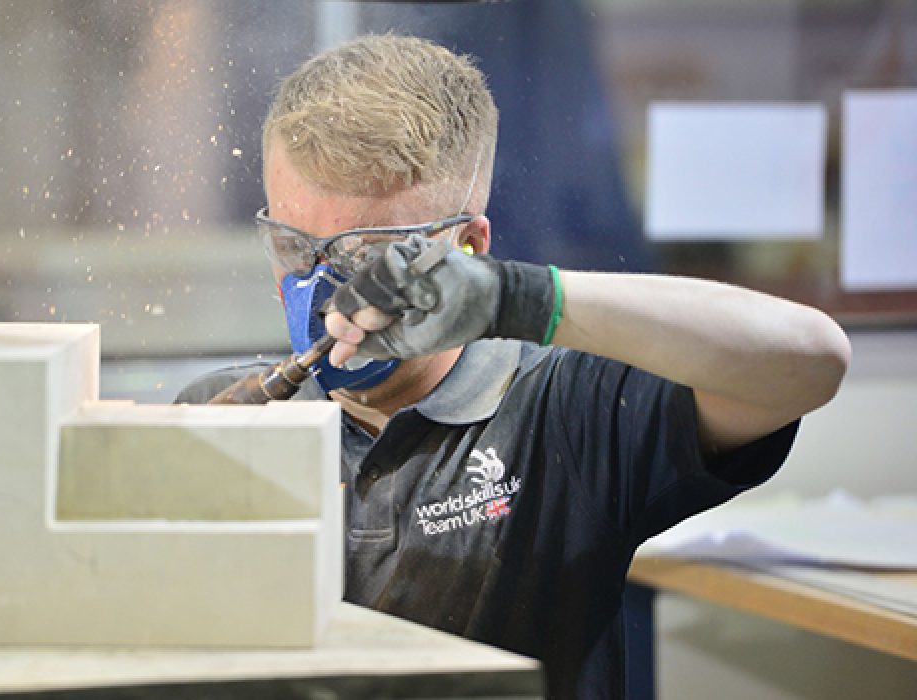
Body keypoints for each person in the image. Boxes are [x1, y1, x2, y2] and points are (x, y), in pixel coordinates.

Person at [176, 35, 851, 699]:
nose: (323, 289)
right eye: (295, 248)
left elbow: (809, 362)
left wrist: (524, 299)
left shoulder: (561, 414)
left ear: (466, 247)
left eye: (363, 257)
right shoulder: (226, 420)